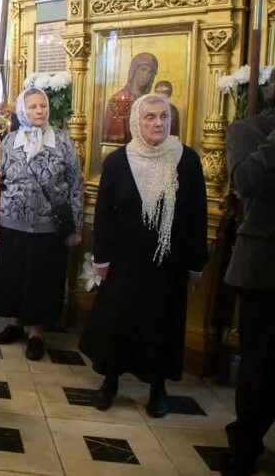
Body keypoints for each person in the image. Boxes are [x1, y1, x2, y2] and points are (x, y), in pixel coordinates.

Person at [79, 94, 207, 418]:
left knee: (161, 322)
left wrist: (196, 261)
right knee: (118, 320)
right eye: (150, 117)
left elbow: (197, 214)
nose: (158, 123)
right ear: (136, 122)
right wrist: (102, 258)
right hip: (125, 261)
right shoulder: (117, 161)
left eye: (164, 116)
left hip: (169, 262)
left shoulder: (187, 160)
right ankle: (110, 381)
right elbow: (104, 214)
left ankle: (158, 388)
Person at [0, 88, 84, 361]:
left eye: (43, 105)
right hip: (12, 222)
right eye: (33, 107)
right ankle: (16, 324)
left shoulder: (62, 140)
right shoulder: (9, 141)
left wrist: (76, 227)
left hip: (48, 225)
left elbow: (75, 185)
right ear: (22, 110)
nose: (39, 110)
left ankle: (37, 333)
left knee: (42, 279)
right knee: (14, 275)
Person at [220, 76, 275, 475]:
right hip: (265, 266)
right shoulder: (248, 130)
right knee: (262, 361)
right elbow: (245, 180)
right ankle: (246, 442)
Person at [103, 53, 158, 144]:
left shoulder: (149, 100)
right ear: (134, 71)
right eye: (143, 69)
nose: (147, 75)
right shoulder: (119, 100)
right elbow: (114, 139)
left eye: (151, 72)